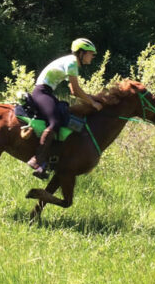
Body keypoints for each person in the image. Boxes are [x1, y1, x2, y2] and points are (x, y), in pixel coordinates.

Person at [26, 38, 103, 179]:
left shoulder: (71, 62)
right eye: (91, 53)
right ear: (82, 53)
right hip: (42, 92)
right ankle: (37, 160)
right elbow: (76, 90)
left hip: (47, 92)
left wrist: (92, 98)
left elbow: (73, 91)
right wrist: (92, 103)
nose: (92, 56)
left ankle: (51, 160)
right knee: (54, 122)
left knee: (64, 117)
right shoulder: (72, 62)